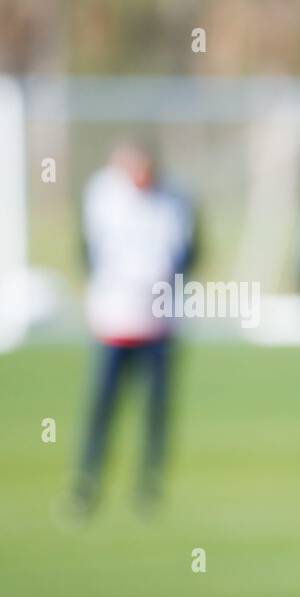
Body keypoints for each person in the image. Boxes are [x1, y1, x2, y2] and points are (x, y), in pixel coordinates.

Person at [70, 141, 196, 518]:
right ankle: (88, 480)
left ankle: (148, 483)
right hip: (114, 319)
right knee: (103, 406)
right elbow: (88, 249)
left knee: (156, 408)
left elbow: (188, 251)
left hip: (158, 322)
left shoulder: (175, 199)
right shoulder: (102, 196)